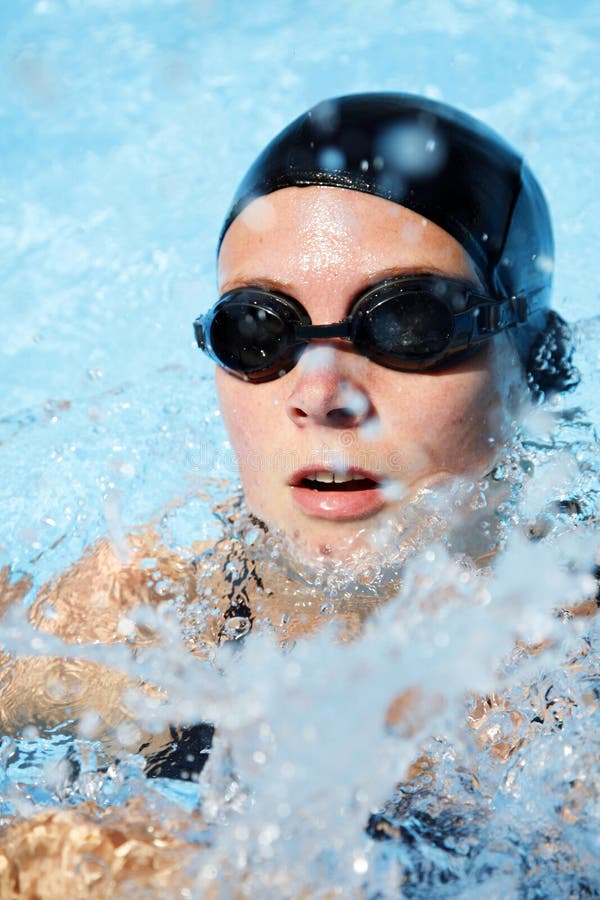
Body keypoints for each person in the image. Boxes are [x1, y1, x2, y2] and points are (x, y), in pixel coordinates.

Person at [0, 92, 591, 895]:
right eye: (260, 330)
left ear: (532, 370)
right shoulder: (144, 612)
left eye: (408, 323)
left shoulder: (573, 680)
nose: (319, 393)